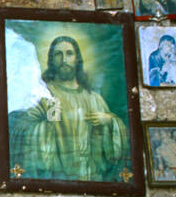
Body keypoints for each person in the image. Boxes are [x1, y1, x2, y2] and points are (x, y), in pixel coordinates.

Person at [9, 34, 130, 182]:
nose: (64, 60)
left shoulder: (93, 98)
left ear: (77, 59)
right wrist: (47, 127)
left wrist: (110, 122)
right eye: (58, 54)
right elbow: (21, 130)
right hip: (57, 178)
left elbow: (118, 147)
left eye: (69, 54)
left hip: (92, 177)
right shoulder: (43, 95)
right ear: (51, 60)